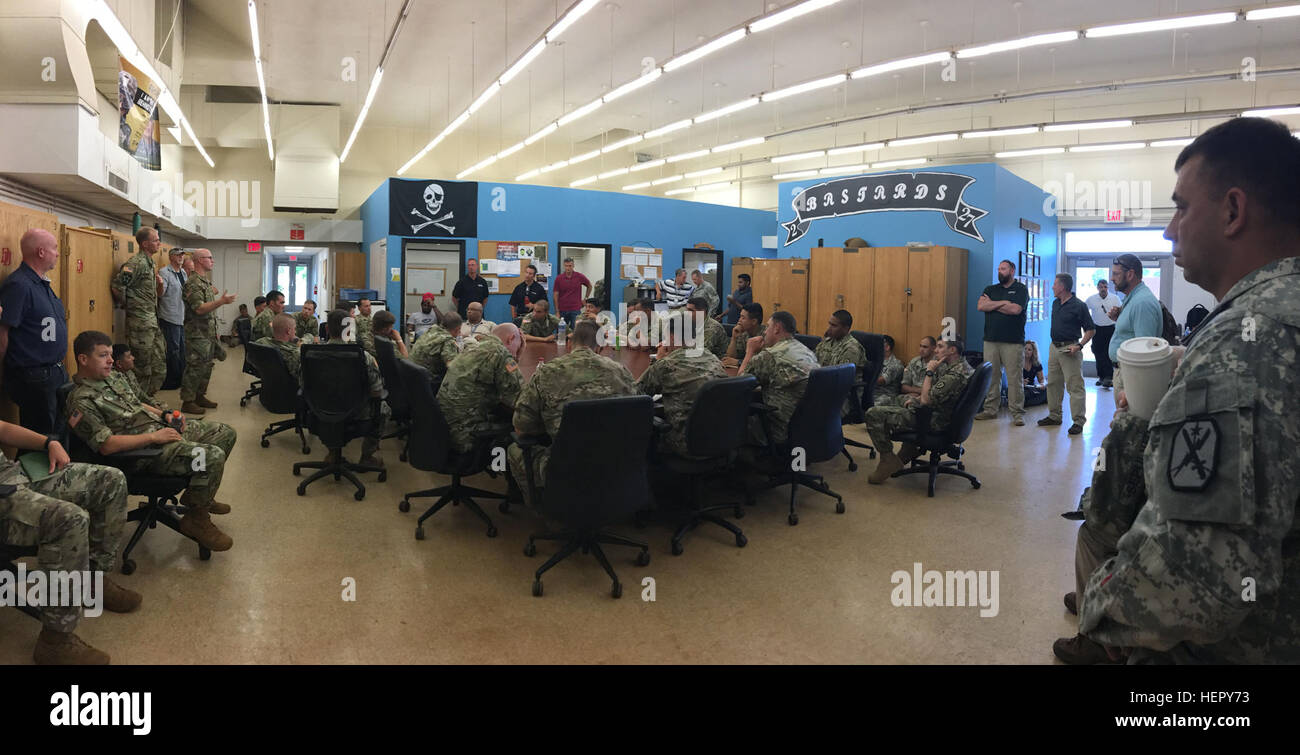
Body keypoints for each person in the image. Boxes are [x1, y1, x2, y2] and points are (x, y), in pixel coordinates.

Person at [1066, 117, 1300, 664]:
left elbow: (1200, 578)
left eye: (1181, 207)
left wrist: (1096, 610)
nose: (1170, 230)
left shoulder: (1251, 334)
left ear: (1233, 211)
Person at [66, 330, 236, 551]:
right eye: (103, 355)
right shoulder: (81, 401)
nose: (110, 360)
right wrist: (155, 436)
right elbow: (107, 445)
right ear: (83, 359)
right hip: (140, 455)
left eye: (110, 354)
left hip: (158, 431)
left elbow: (136, 403)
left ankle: (200, 497)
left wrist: (164, 415)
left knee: (225, 432)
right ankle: (197, 518)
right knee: (210, 456)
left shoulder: (112, 377)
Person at [0, 419, 136, 665]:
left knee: (110, 480)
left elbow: (2, 428)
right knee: (69, 520)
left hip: (9, 475)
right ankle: (55, 641)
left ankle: (93, 579)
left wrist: (48, 442)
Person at [508, 319, 636, 506]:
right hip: (616, 463)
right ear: (601, 346)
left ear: (569, 344)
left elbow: (521, 429)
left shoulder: (546, 373)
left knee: (514, 450)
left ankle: (543, 509)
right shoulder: (621, 372)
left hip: (564, 466)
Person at [865, 337, 970, 484]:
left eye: (940, 347)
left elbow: (926, 401)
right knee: (900, 400)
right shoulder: (961, 366)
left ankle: (887, 459)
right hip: (941, 413)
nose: (935, 350)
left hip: (934, 419)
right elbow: (933, 395)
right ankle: (910, 447)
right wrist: (915, 400)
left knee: (873, 414)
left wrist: (929, 372)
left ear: (952, 350)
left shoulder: (955, 375)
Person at [0, 229, 70, 434]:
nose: (57, 253)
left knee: (57, 432)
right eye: (55, 248)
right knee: (42, 438)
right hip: (34, 376)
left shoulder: (41, 283)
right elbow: (3, 333)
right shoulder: (19, 285)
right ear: (41, 252)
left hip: (53, 372)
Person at [636, 313, 727, 457]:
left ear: (672, 338)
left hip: (684, 442)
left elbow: (637, 394)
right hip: (722, 438)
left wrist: (659, 360)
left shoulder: (667, 364)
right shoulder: (713, 357)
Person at [315, 310, 387, 469]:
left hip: (320, 413)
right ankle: (367, 457)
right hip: (357, 414)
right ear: (350, 331)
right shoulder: (363, 357)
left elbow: (303, 385)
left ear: (327, 329)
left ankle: (333, 453)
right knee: (383, 408)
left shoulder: (312, 354)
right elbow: (376, 391)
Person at [438, 323, 525, 454]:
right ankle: (499, 466)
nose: (516, 350)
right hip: (465, 435)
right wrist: (517, 356)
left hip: (443, 428)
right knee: (514, 427)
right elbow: (521, 398)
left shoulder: (473, 347)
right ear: (511, 338)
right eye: (517, 346)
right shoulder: (500, 353)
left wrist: (515, 358)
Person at [739, 310, 818, 447]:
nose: (764, 332)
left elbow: (739, 384)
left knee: (728, 418)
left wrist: (750, 351)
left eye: (768, 327)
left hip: (779, 428)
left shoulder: (769, 356)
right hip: (809, 424)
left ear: (777, 329)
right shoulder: (806, 350)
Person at [110, 227, 168, 397]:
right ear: (145, 244)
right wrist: (131, 305)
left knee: (159, 367)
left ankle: (148, 400)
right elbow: (117, 286)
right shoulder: (135, 264)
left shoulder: (150, 263)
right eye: (156, 240)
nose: (159, 243)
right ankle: (138, 404)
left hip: (152, 321)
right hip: (140, 324)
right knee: (142, 368)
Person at [1038, 273, 1095, 435]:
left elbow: (1091, 330)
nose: (1052, 287)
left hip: (1070, 349)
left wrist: (1079, 346)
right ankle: (1054, 416)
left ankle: (1078, 421)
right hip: (1054, 348)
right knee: (1053, 384)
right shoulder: (1056, 303)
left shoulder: (1079, 305)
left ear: (1062, 287)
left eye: (1055, 284)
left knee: (1074, 386)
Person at [180, 248, 235, 416]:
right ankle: (188, 402)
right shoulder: (193, 283)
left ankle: (199, 396)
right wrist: (221, 302)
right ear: (199, 260)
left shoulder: (204, 281)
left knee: (207, 367)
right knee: (195, 367)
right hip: (197, 334)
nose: (213, 260)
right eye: (209, 258)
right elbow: (199, 309)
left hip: (208, 333)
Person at [975, 259, 1029, 425]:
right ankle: (990, 410)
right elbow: (980, 306)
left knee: (1014, 378)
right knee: (992, 377)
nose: (1000, 271)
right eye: (999, 269)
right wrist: (1004, 303)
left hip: (1013, 341)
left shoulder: (1021, 289)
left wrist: (992, 304)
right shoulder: (990, 289)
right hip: (991, 340)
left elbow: (1015, 309)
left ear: (1012, 271)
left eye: (1003, 269)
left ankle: (1017, 413)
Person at [1107, 253, 1164, 409]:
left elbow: (1144, 354)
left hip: (1131, 377)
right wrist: (1120, 319)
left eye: (1116, 274)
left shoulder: (1142, 303)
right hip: (1124, 373)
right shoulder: (1132, 298)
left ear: (1130, 274)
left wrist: (1134, 389)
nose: (1112, 278)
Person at [814, 310, 867, 416]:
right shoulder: (827, 342)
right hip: (822, 388)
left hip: (842, 395)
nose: (829, 328)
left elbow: (841, 379)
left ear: (846, 328)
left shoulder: (851, 348)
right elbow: (812, 362)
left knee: (812, 412)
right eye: (829, 324)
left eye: (834, 325)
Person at [158, 247, 188, 390]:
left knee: (181, 349)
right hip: (169, 317)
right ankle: (171, 380)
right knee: (172, 350)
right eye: (178, 255)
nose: (181, 257)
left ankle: (180, 378)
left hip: (181, 317)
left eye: (182, 255)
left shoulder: (182, 272)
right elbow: (160, 293)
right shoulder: (165, 272)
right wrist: (159, 284)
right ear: (171, 258)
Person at [1084, 279, 1121, 388]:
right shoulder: (1091, 299)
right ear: (1098, 288)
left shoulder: (1115, 298)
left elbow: (1120, 312)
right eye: (1101, 287)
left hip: (1110, 328)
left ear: (1107, 287)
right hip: (1097, 329)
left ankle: (1109, 377)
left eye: (1105, 287)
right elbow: (1084, 312)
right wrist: (1088, 326)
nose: (1103, 289)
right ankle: (1101, 377)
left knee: (1108, 353)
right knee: (1097, 352)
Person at [112, 344, 166, 410]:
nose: (133, 358)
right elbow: (131, 404)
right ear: (119, 363)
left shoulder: (128, 372)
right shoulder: (115, 381)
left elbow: (139, 393)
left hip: (138, 405)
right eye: (129, 357)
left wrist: (153, 403)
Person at [409, 311, 461, 379]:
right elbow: (452, 367)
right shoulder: (448, 340)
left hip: (413, 375)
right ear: (457, 329)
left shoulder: (432, 330)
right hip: (430, 381)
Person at [255, 313, 304, 381]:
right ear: (289, 331)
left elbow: (250, 359)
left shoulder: (260, 342)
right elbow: (302, 381)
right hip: (289, 388)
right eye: (294, 328)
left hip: (268, 383)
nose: (295, 331)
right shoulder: (294, 353)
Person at [552, 258, 591, 328]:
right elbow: (555, 296)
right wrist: (557, 311)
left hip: (575, 309)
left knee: (576, 331)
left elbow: (589, 286)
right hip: (562, 310)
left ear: (573, 266)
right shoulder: (559, 278)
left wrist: (586, 299)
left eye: (570, 266)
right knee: (562, 331)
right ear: (564, 266)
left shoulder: (579, 276)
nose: (568, 268)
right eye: (566, 266)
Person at [898, 336, 936, 406]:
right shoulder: (914, 361)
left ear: (933, 348)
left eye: (925, 347)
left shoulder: (937, 364)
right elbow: (903, 387)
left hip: (927, 401)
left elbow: (935, 392)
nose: (921, 349)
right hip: (909, 396)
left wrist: (919, 394)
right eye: (920, 346)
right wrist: (918, 391)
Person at [873, 335, 904, 407]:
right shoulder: (876, 360)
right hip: (873, 393)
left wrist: (865, 378)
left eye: (878, 344)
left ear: (887, 347)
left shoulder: (895, 364)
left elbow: (881, 381)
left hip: (887, 396)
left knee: (871, 406)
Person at [1021, 341, 1046, 407]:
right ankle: (1038, 400)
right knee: (1018, 393)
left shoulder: (1037, 364)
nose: (1026, 351)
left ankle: (1024, 403)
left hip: (1031, 388)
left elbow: (1041, 379)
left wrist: (1043, 384)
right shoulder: (1018, 362)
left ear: (1033, 352)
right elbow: (1012, 379)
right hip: (1020, 388)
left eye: (1029, 350)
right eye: (1025, 349)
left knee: (1048, 390)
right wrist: (1021, 382)